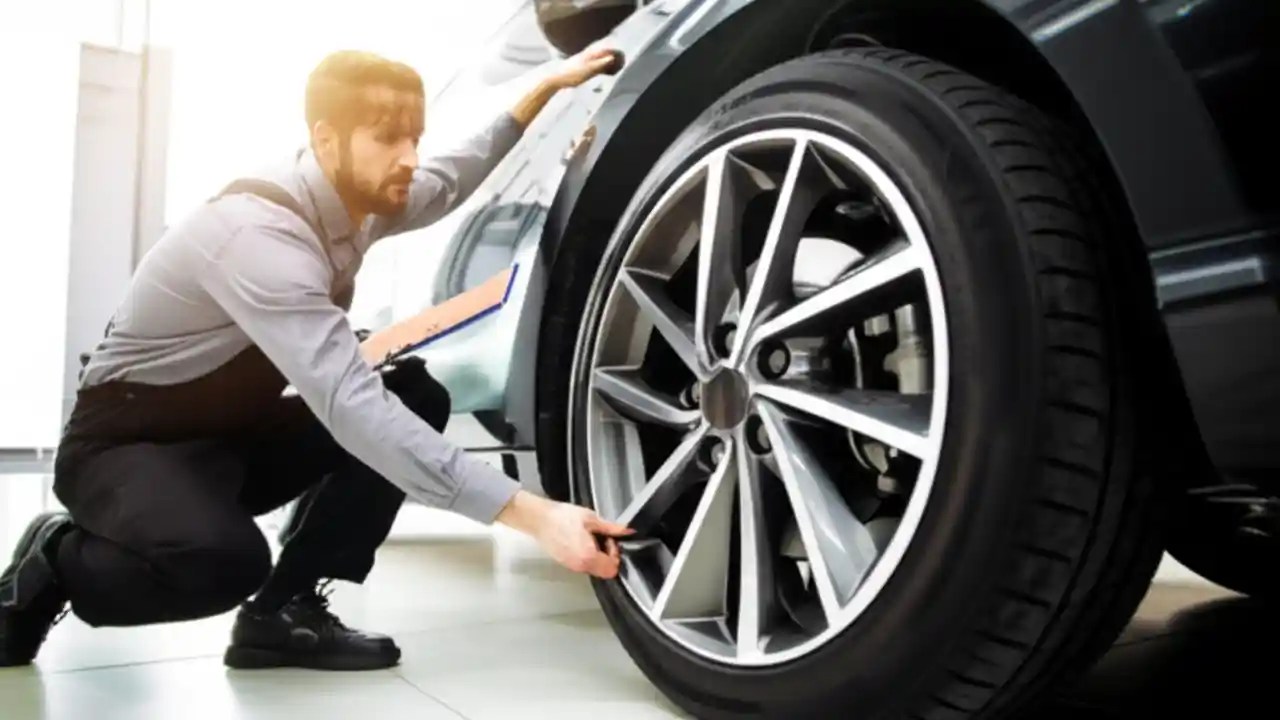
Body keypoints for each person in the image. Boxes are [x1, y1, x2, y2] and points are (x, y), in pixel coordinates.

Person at [0, 46, 632, 671]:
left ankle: (284, 613)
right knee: (224, 563)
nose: (409, 158)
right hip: (126, 449)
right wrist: (535, 516)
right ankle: (55, 558)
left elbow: (450, 179)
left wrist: (543, 91)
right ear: (327, 140)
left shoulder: (358, 205)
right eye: (388, 139)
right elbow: (351, 406)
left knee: (416, 396)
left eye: (414, 137)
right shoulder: (259, 237)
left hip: (229, 438)